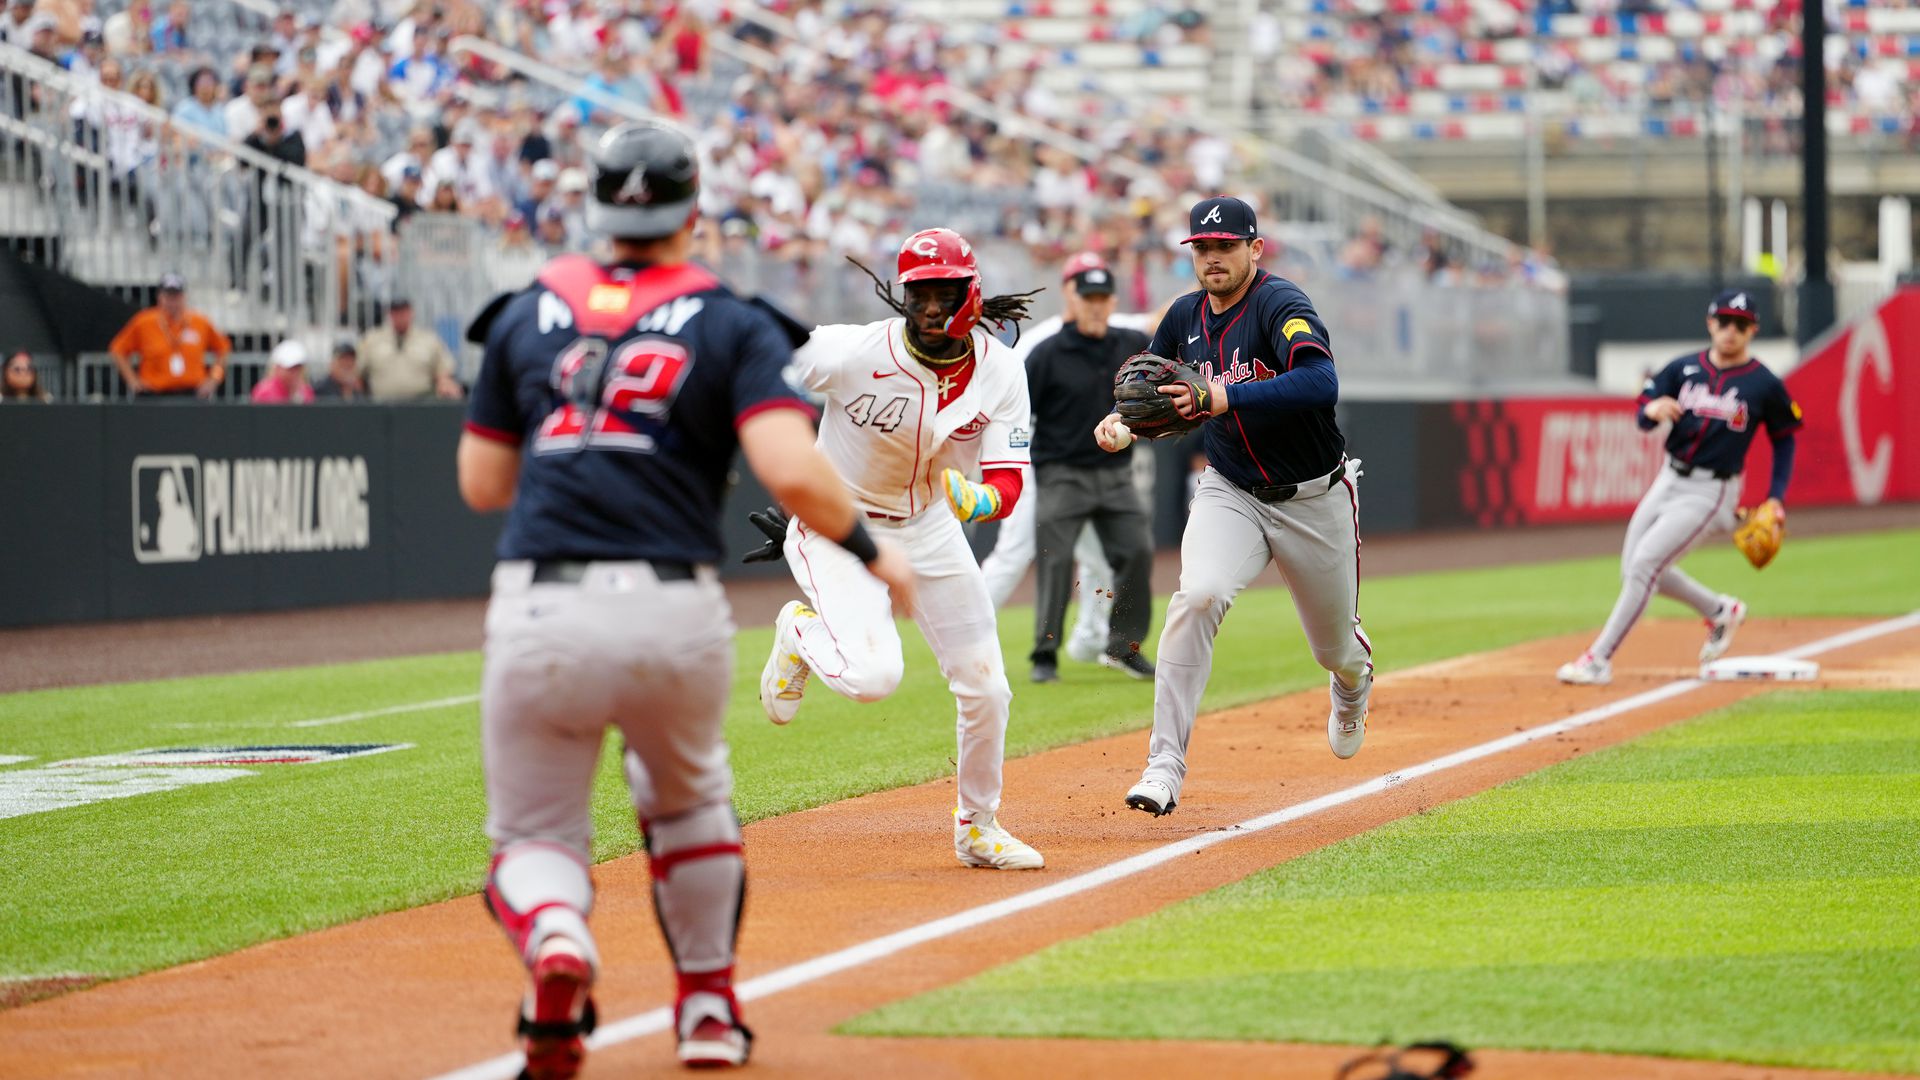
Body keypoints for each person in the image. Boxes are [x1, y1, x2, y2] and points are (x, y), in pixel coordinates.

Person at [457, 120, 915, 1076]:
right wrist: (872, 553)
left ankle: (556, 936)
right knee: (689, 810)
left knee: (537, 835)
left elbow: (483, 484)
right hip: (673, 605)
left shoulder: (525, 310)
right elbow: (790, 469)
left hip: (542, 601)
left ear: (594, 205)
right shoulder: (731, 318)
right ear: (692, 207)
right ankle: (707, 1008)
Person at [752, 227, 1047, 870]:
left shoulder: (1000, 369)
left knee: (987, 687)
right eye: (920, 294)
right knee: (872, 679)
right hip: (841, 523)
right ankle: (799, 632)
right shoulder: (850, 352)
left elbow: (1007, 477)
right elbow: (756, 370)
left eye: (946, 292)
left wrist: (984, 503)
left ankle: (978, 827)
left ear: (973, 292)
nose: (933, 308)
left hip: (933, 526)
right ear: (902, 296)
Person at [1095, 196, 1372, 819]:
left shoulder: (1281, 304)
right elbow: (1147, 383)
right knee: (1197, 596)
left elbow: (1320, 381)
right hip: (1231, 491)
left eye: (1225, 246)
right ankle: (1164, 765)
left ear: (1254, 249)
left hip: (1315, 496)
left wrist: (1224, 396)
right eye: (1202, 248)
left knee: (1335, 651)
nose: (1212, 258)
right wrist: (1120, 422)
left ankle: (1352, 686)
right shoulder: (1184, 314)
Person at [1556, 288, 1801, 685]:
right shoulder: (1683, 368)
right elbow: (1644, 413)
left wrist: (1776, 496)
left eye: (1741, 324)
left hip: (1712, 490)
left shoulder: (1764, 384)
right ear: (1710, 323)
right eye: (1724, 322)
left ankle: (1597, 659)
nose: (1731, 330)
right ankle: (1721, 610)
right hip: (1668, 477)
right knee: (1634, 568)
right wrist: (1650, 410)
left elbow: (1785, 437)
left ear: (1753, 330)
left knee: (1645, 566)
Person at [979, 252, 1164, 668]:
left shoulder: (1125, 338)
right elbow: (1011, 414)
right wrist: (1016, 469)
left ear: (1111, 299)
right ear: (1069, 294)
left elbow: (1158, 320)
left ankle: (1096, 643)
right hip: (1046, 468)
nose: (1096, 302)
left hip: (1109, 473)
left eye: (1103, 295)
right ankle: (971, 633)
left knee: (1111, 558)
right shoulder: (1041, 346)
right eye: (1087, 293)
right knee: (1022, 554)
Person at [108, 274, 232, 399]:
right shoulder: (144, 322)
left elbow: (223, 348)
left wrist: (214, 378)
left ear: (184, 297)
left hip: (192, 393)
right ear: (159, 297)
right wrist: (132, 380)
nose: (172, 302)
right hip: (153, 394)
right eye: (168, 297)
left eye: (176, 296)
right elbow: (118, 349)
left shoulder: (199, 322)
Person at [356, 298, 462, 401]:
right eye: (396, 312)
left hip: (420, 405)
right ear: (390, 314)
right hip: (381, 405)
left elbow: (443, 371)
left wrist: (445, 384)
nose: (400, 316)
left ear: (411, 313)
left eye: (404, 312)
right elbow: (357, 373)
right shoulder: (372, 339)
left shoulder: (429, 340)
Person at [250, 340, 314, 404]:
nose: (295, 373)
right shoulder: (266, 391)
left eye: (298, 368)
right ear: (277, 368)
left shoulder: (305, 390)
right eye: (290, 368)